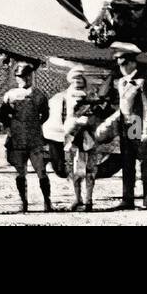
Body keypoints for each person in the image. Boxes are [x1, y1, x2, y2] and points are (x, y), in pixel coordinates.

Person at [0, 61, 52, 213]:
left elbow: (45, 114)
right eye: (20, 76)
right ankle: (24, 202)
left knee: (41, 170)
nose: (24, 79)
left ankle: (47, 202)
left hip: (34, 138)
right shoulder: (10, 95)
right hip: (17, 138)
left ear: (31, 76)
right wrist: (10, 128)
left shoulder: (39, 94)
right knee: (20, 172)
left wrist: (35, 124)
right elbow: (3, 115)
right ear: (16, 78)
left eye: (27, 76)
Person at [110, 50, 147, 210]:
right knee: (127, 163)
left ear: (132, 63)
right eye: (119, 65)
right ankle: (127, 199)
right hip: (125, 126)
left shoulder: (141, 82)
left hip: (138, 124)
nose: (121, 68)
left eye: (124, 64)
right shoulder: (122, 82)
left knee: (144, 162)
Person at [59, 67, 102, 212]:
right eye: (74, 78)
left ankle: (89, 199)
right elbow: (64, 115)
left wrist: (90, 121)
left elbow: (97, 114)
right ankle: (77, 198)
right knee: (74, 169)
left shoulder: (91, 95)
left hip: (89, 135)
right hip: (72, 135)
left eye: (80, 77)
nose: (77, 80)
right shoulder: (66, 96)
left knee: (90, 169)